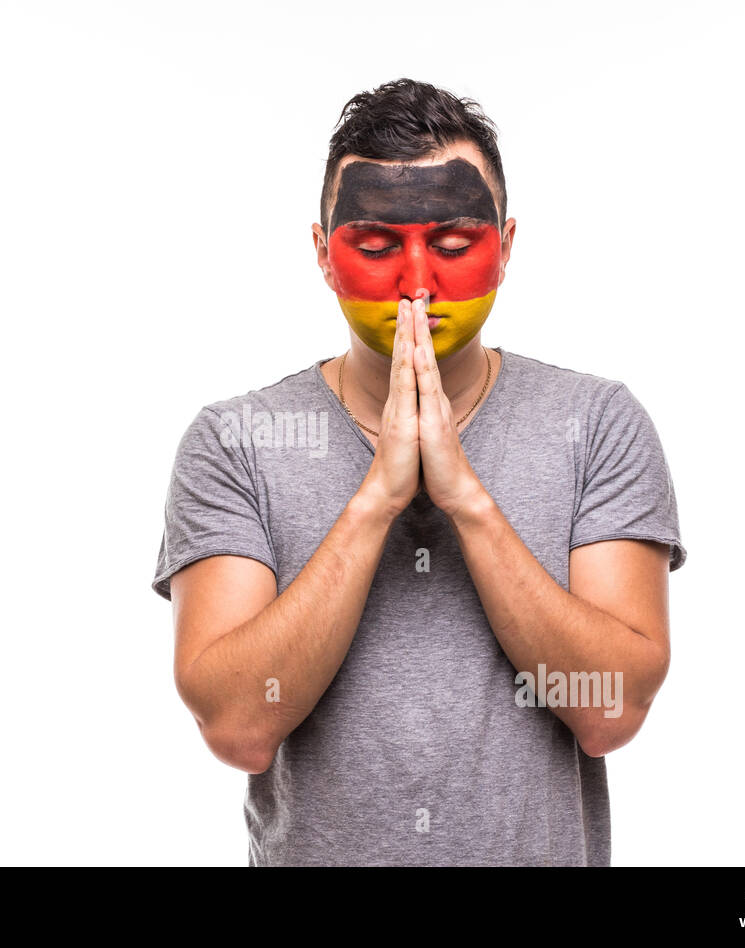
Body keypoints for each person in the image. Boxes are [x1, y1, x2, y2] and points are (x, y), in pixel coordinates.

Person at [151, 78, 686, 866]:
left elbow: (609, 711)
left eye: (452, 244)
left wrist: (466, 499)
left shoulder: (599, 424)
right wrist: (377, 499)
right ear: (322, 256)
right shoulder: (237, 440)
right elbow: (237, 726)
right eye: (373, 246)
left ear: (504, 248)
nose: (415, 282)